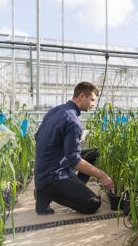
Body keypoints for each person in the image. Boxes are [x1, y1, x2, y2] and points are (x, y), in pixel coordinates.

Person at [34, 81, 113, 215]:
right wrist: (103, 175)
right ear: (82, 96)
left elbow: (37, 137)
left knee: (94, 153)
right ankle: (46, 192)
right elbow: (74, 161)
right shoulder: (73, 121)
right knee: (93, 203)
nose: (93, 104)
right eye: (92, 100)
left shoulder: (55, 110)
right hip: (54, 176)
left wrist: (71, 141)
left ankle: (67, 189)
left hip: (43, 170)